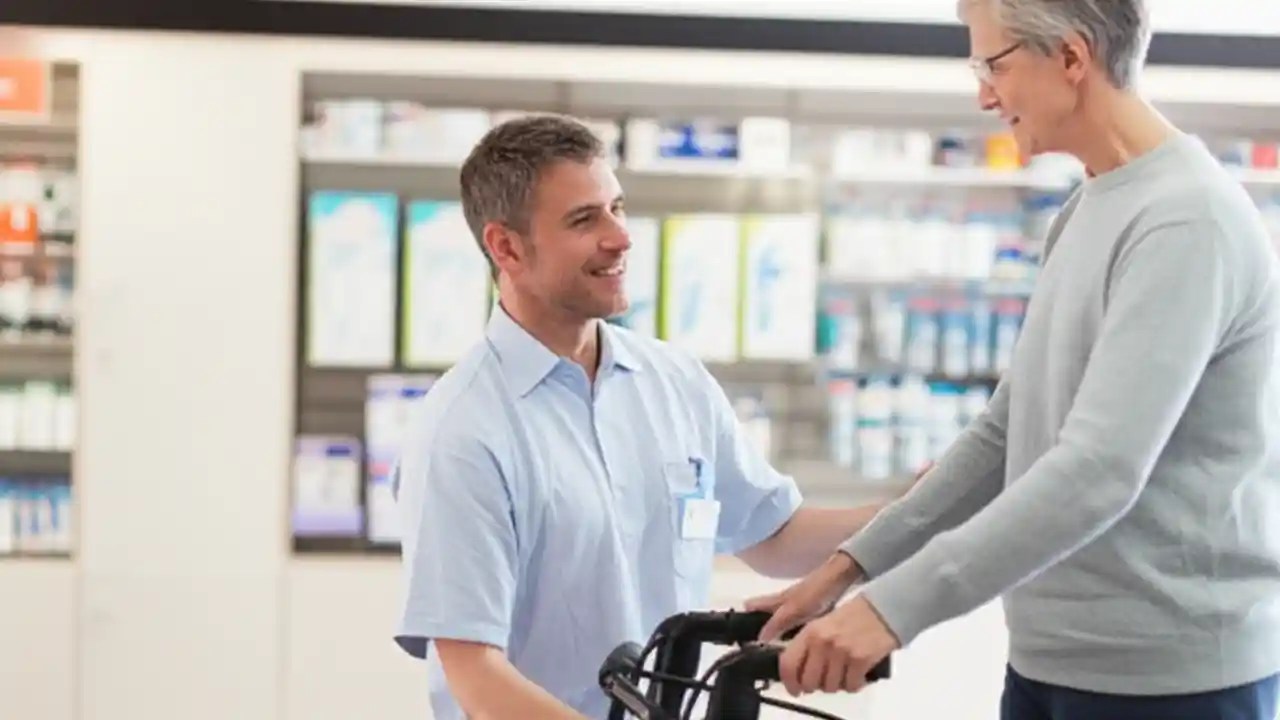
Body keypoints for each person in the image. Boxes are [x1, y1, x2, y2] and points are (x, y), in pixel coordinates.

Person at [748, 1, 1280, 719]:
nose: (984, 94)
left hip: (1167, 679)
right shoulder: (1090, 206)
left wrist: (893, 609)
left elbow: (1098, 471)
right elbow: (1005, 434)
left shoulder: (1187, 221)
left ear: (1071, 58)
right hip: (1052, 661)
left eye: (994, 65)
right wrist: (849, 568)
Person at [390, 113, 897, 720]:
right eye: (585, 220)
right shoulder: (463, 431)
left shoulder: (673, 383)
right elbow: (476, 674)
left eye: (617, 208)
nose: (621, 237)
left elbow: (775, 535)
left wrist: (927, 509)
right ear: (506, 246)